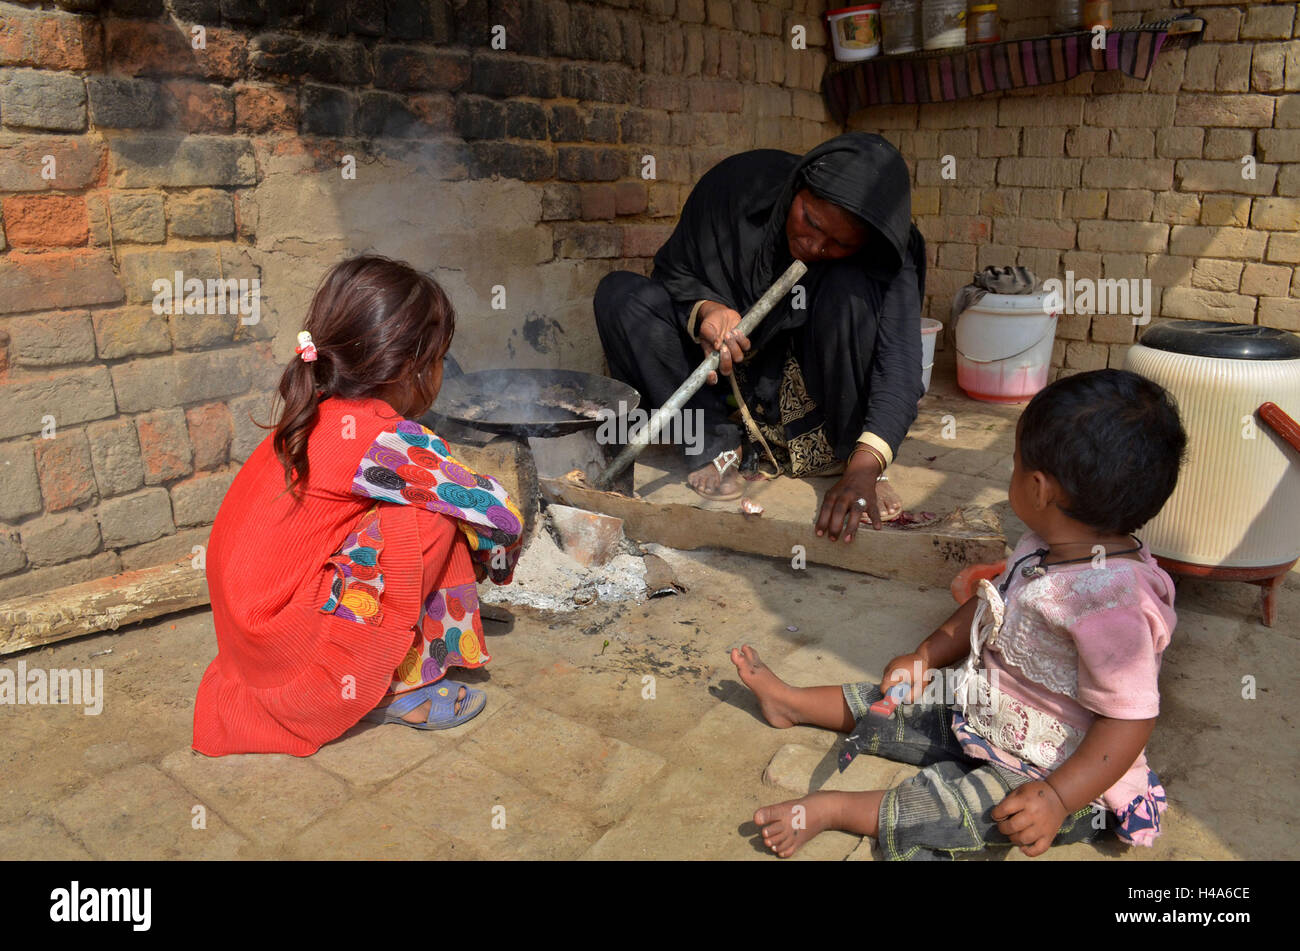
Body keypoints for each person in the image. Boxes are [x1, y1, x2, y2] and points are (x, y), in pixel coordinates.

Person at [730, 369, 1188, 859]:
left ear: (1038, 489)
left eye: (1013, 466)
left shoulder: (1116, 604)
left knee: (972, 808)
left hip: (1056, 770)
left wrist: (1056, 798)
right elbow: (987, 607)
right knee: (900, 702)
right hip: (986, 712)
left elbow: (1129, 722)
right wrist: (925, 655)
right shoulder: (1043, 548)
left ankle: (837, 808)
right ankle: (792, 703)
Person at [192, 256, 525, 756]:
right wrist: (491, 562)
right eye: (439, 360)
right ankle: (394, 687)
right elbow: (500, 514)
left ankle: (403, 643)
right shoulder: (383, 438)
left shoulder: (315, 412)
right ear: (412, 368)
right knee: (435, 519)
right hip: (290, 657)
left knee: (414, 511)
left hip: (250, 645)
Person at [594, 132, 926, 540]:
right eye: (810, 221)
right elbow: (674, 274)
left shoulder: (888, 249)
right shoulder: (736, 188)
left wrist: (865, 468)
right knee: (620, 296)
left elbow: (901, 364)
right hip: (726, 385)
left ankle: (852, 458)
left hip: (815, 392)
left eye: (839, 244)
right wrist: (706, 310)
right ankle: (716, 444)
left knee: (851, 288)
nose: (813, 246)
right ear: (797, 187)